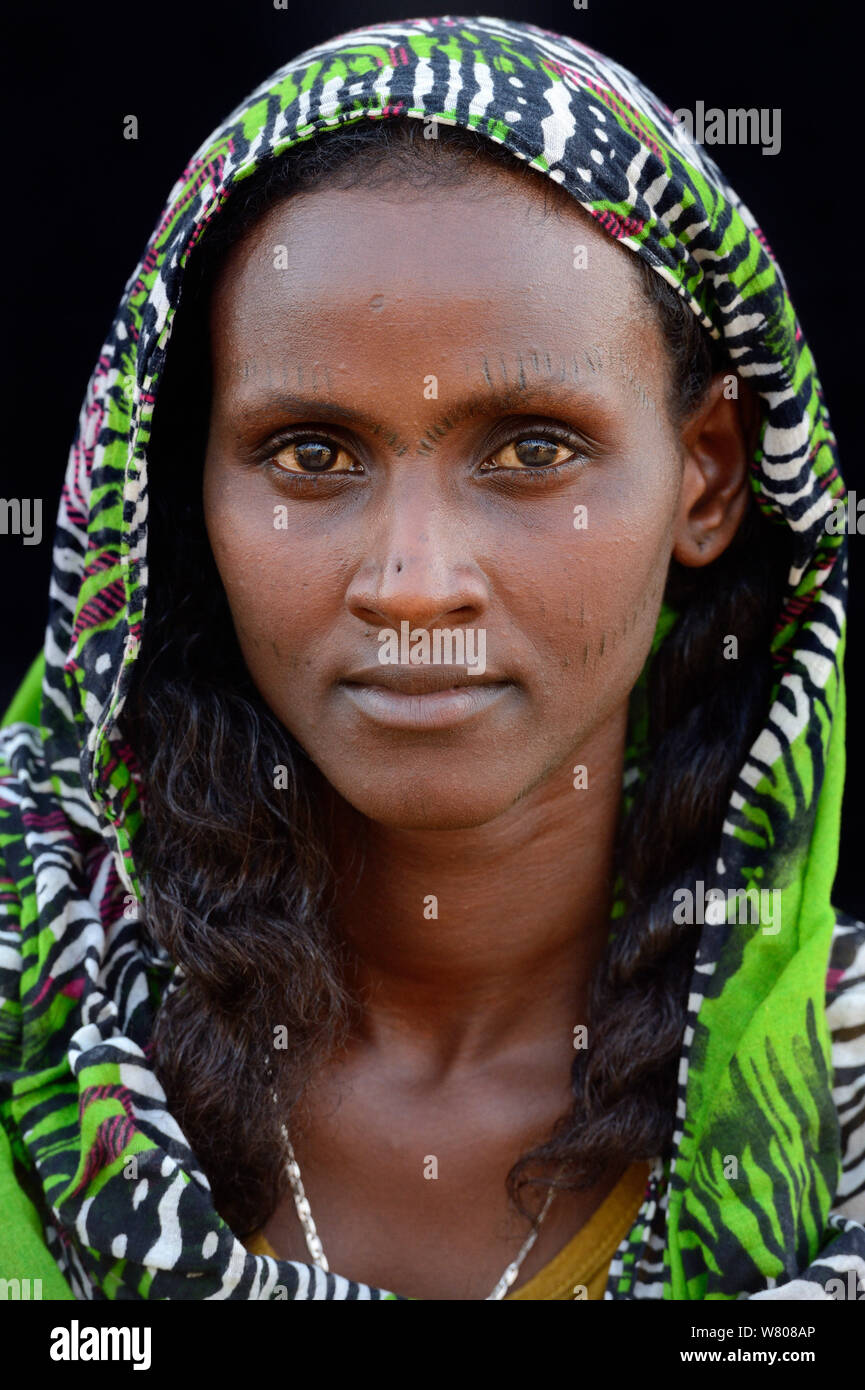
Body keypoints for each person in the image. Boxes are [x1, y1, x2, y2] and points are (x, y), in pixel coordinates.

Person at [1, 13, 863, 1302]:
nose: (412, 582)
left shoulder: (840, 1101)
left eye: (529, 450)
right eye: (310, 453)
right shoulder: (39, 1018)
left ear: (708, 477)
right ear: (186, 495)